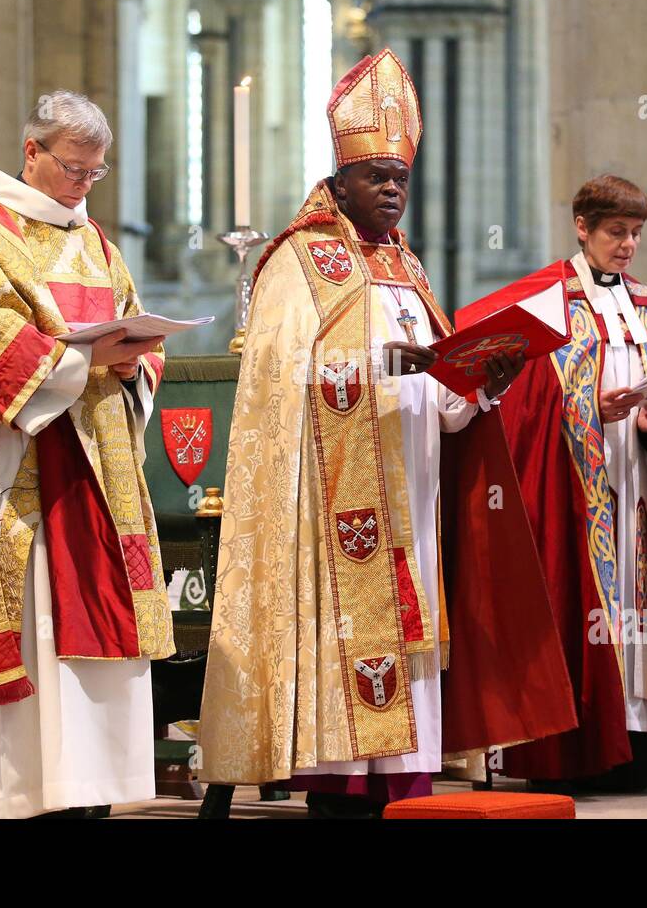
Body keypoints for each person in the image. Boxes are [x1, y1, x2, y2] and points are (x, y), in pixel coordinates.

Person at [198, 49, 575, 817]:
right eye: (378, 177)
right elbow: (279, 384)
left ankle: (402, 787)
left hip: (416, 491)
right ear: (339, 182)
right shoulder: (299, 262)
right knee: (356, 645)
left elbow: (439, 394)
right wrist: (377, 363)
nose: (394, 190)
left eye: (401, 178)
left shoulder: (408, 268)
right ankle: (340, 787)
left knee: (413, 640)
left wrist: (477, 389)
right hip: (336, 513)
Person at [0, 90, 174, 817]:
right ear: (32, 153)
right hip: (22, 469)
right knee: (37, 628)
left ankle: (94, 793)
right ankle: (24, 797)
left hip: (100, 478)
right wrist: (80, 364)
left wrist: (130, 365)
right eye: (74, 168)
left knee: (96, 627)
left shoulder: (97, 245)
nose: (86, 183)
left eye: (96, 171)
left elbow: (141, 353)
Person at [486, 174, 647, 791]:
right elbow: (515, 406)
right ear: (582, 227)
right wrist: (585, 408)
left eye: (635, 234)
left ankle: (639, 746)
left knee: (642, 613)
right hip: (578, 488)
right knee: (587, 608)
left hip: (642, 485)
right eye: (615, 233)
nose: (628, 245)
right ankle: (579, 752)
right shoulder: (546, 302)